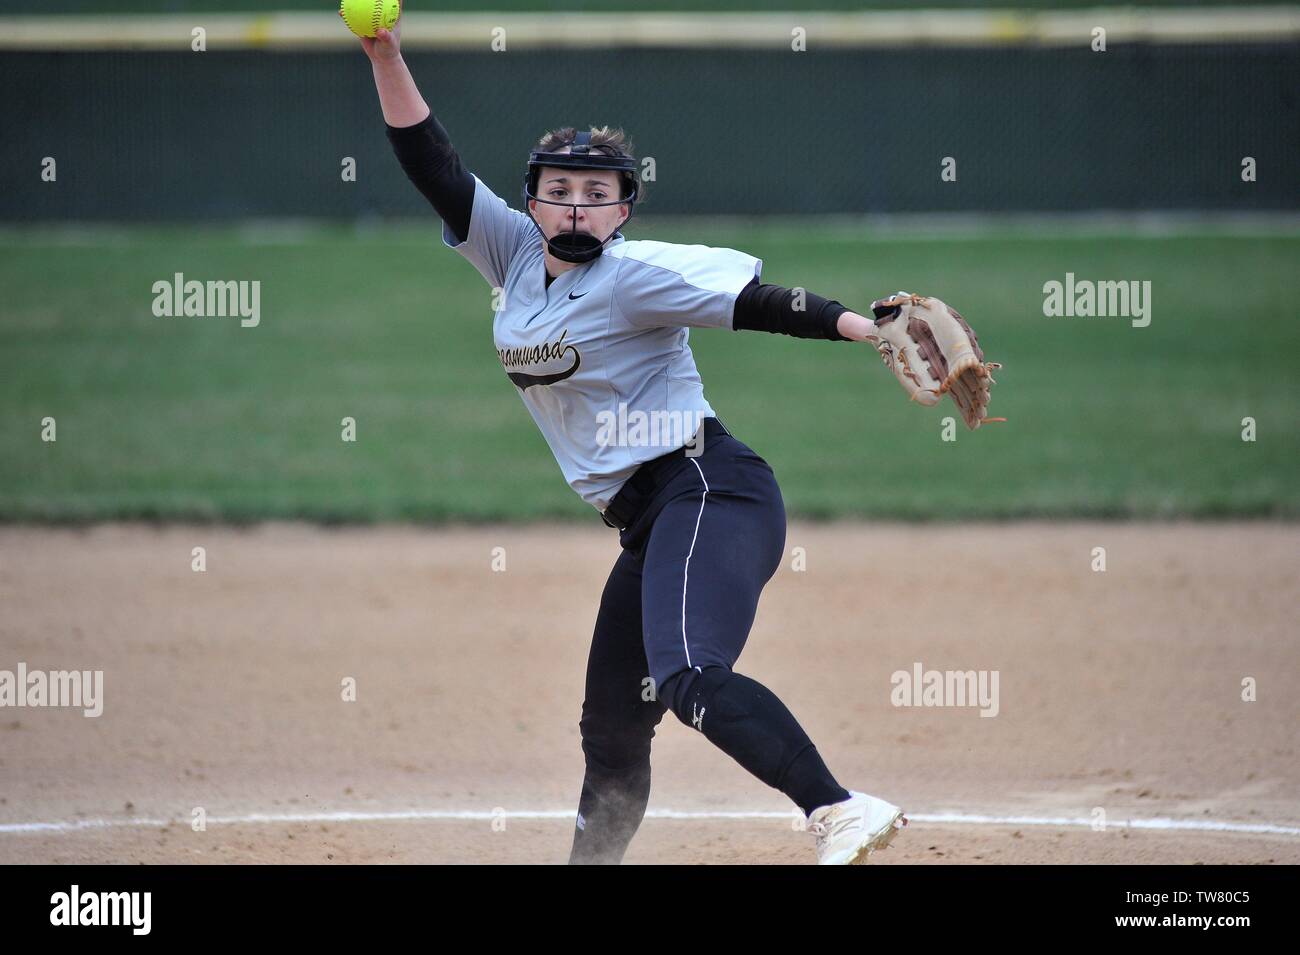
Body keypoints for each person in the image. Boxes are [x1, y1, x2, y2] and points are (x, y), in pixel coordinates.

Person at [359, 4, 908, 865]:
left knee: (690, 677)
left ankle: (837, 807)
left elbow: (760, 306)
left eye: (597, 194)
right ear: (533, 199)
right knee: (613, 729)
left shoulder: (639, 275)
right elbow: (430, 161)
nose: (575, 206)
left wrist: (862, 328)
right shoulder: (508, 255)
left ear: (622, 210)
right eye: (558, 189)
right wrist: (384, 50)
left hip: (706, 490)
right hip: (647, 524)